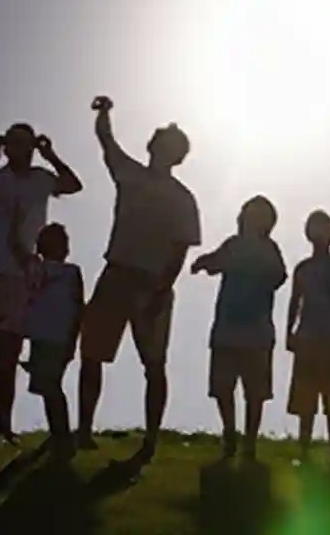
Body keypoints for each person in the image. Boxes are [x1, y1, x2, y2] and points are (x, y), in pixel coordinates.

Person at [76, 96, 201, 463]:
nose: (164, 149)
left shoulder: (183, 197)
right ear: (152, 146)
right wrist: (103, 112)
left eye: (172, 147)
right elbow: (107, 142)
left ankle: (149, 440)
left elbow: (181, 247)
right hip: (116, 274)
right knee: (92, 354)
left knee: (154, 365)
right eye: (161, 142)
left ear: (178, 157)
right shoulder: (129, 173)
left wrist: (162, 288)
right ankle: (83, 430)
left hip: (152, 283)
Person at [0, 123, 82, 446]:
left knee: (11, 352)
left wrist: (50, 154)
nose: (20, 149)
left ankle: (3, 427)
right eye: (14, 143)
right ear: (6, 146)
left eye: (26, 143)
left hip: (26, 273)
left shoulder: (42, 178)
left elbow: (73, 184)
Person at [191, 195, 287, 460]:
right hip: (228, 326)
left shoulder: (269, 248)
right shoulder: (233, 245)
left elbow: (278, 276)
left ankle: (250, 441)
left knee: (254, 391)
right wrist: (203, 262)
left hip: (256, 329)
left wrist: (237, 264)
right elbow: (214, 261)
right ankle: (230, 433)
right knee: (223, 387)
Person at [285, 209, 330, 464]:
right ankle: (304, 449)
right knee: (306, 399)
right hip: (306, 337)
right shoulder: (302, 268)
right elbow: (295, 301)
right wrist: (289, 332)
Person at [15, 222, 84, 460]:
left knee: (51, 386)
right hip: (41, 337)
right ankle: (58, 435)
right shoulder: (36, 268)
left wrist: (73, 341)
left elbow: (78, 308)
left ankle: (62, 438)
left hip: (58, 338)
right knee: (48, 387)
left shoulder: (72, 272)